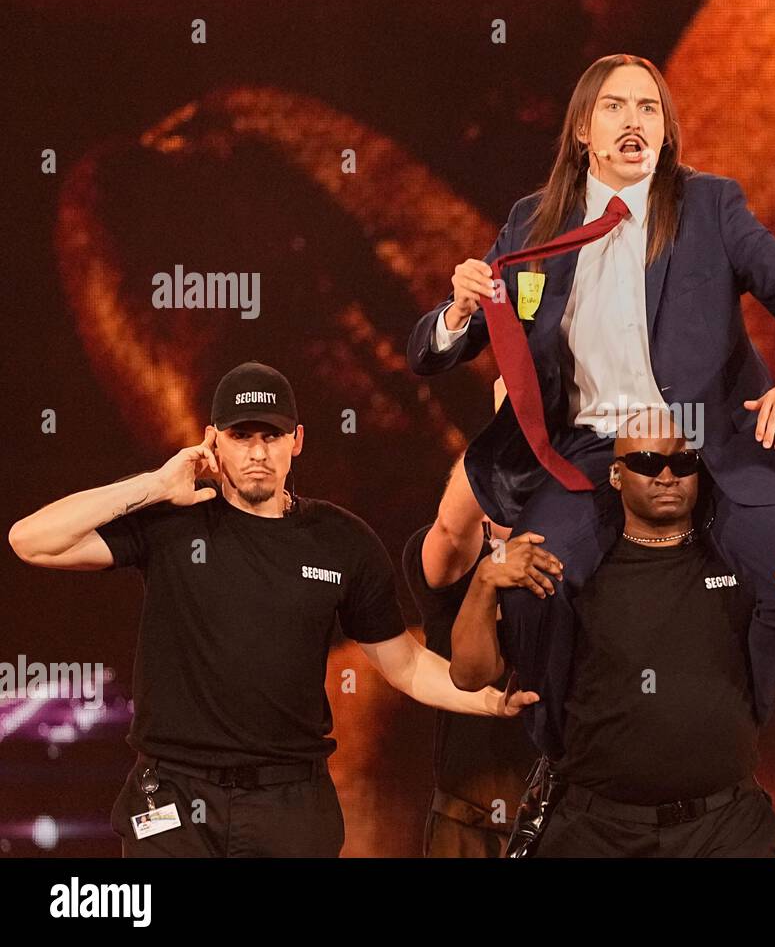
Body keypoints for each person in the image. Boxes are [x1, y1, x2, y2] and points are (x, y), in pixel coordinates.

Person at [407, 54, 775, 758]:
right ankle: (562, 755)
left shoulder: (711, 207)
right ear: (585, 128)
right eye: (615, 107)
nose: (634, 121)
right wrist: (459, 312)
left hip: (712, 444)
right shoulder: (534, 223)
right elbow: (433, 351)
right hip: (586, 451)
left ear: (666, 129)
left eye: (649, 108)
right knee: (527, 596)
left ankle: (738, 711)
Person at [7, 361, 534, 857]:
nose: (257, 452)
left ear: (297, 441)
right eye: (240, 435)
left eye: (271, 435)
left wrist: (488, 701)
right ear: (212, 440)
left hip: (290, 803)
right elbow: (31, 541)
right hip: (173, 799)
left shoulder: (342, 541)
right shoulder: (173, 522)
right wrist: (154, 486)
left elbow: (405, 664)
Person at [451, 413, 775, 857]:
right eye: (647, 463)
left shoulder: (745, 569)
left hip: (724, 830)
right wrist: (483, 582)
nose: (667, 476)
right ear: (615, 474)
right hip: (596, 832)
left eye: (683, 462)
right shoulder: (569, 574)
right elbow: (470, 675)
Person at [402, 452, 538, 857]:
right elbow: (451, 525)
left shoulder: (579, 560)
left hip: (567, 821)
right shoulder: (454, 565)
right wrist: (512, 420)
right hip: (469, 829)